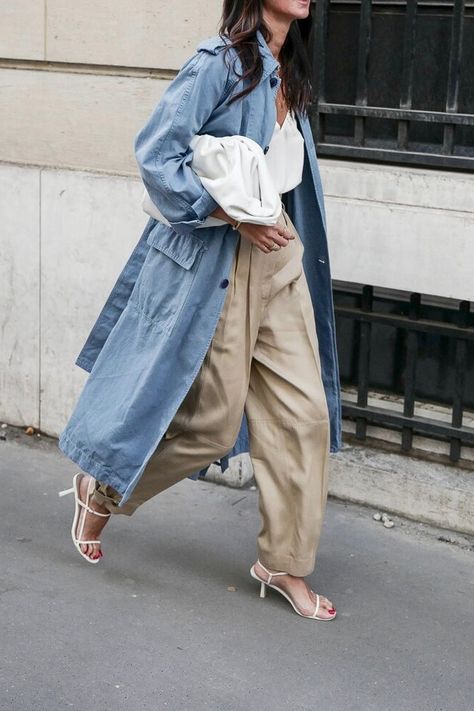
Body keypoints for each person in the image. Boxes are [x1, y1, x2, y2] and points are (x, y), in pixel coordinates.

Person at [58, 0, 342, 621]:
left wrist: (271, 223)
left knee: (305, 416)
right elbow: (158, 154)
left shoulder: (290, 65)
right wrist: (231, 216)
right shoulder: (220, 62)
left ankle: (284, 563)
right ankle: (100, 490)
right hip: (224, 256)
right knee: (211, 424)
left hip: (282, 255)